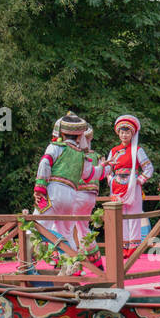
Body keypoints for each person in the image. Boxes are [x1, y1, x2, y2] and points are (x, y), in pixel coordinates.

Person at [34, 111, 104, 260]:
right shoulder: (82, 155)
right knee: (66, 233)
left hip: (53, 193)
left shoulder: (55, 146)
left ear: (62, 133)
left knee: (34, 228)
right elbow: (89, 175)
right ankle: (73, 266)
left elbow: (45, 163)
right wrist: (107, 168)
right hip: (71, 197)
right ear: (80, 136)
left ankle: (27, 267)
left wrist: (39, 188)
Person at [106, 114, 154, 250]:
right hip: (117, 186)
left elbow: (148, 168)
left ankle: (133, 248)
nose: (124, 135)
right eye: (122, 132)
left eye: (127, 132)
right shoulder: (114, 151)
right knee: (119, 216)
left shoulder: (138, 150)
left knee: (133, 215)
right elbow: (108, 169)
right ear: (118, 134)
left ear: (132, 134)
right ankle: (122, 246)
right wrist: (110, 180)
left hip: (133, 186)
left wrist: (139, 180)